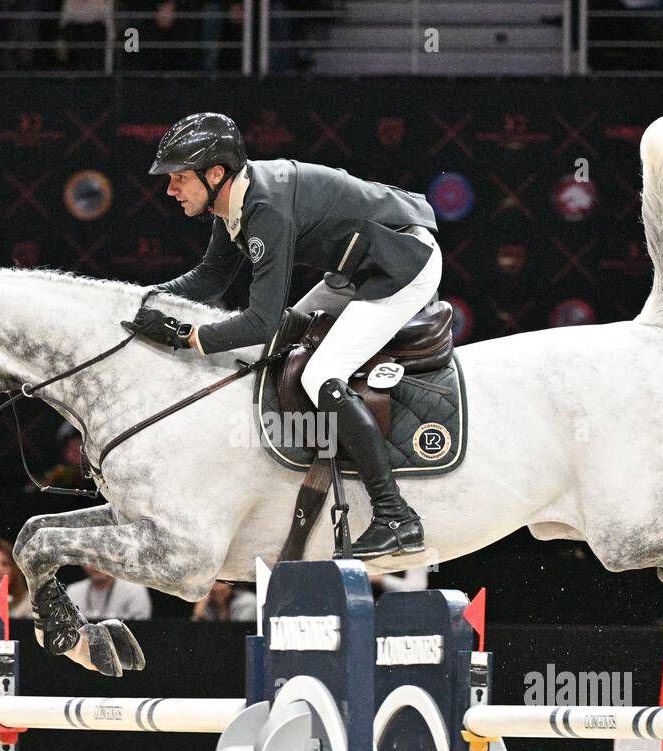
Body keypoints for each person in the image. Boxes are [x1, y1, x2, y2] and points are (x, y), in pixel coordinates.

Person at [129, 113, 441, 560]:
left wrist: (183, 334)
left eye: (179, 178)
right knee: (286, 342)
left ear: (215, 174)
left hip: (402, 265)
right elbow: (213, 277)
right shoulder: (234, 197)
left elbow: (260, 321)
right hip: (357, 269)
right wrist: (146, 297)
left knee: (320, 374)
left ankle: (397, 516)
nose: (170, 189)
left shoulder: (265, 210)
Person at [65, 565, 152, 621]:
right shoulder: (73, 591)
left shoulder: (134, 589)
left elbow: (142, 629)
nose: (97, 566)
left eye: (102, 561)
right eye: (91, 561)